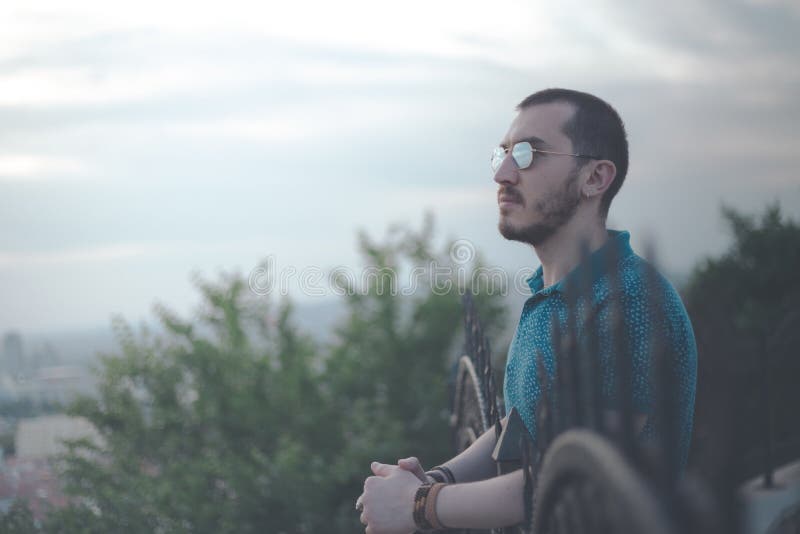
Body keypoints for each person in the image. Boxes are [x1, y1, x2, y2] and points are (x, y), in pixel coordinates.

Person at [356, 88, 697, 534]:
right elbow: (520, 425)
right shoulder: (549, 294)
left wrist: (421, 505)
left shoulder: (628, 303)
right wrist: (438, 478)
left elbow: (580, 479)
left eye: (528, 153)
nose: (503, 173)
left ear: (595, 178)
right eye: (502, 154)